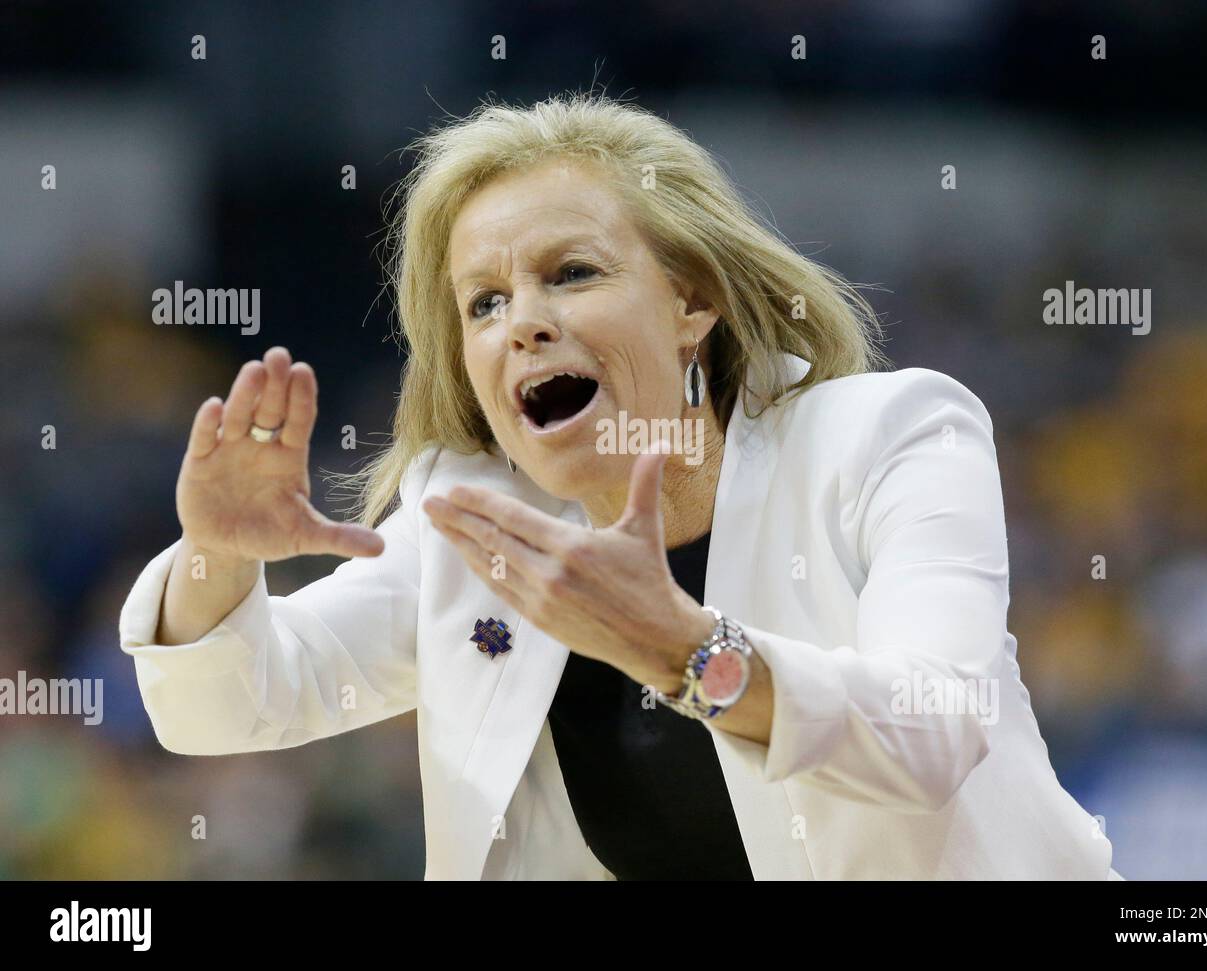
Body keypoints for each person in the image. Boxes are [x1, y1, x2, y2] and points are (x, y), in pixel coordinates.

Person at [120, 93, 1118, 880]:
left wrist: (683, 648)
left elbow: (935, 726)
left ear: (692, 302)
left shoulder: (886, 437)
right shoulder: (476, 521)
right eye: (485, 301)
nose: (524, 322)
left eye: (573, 272)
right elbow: (233, 706)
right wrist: (217, 553)